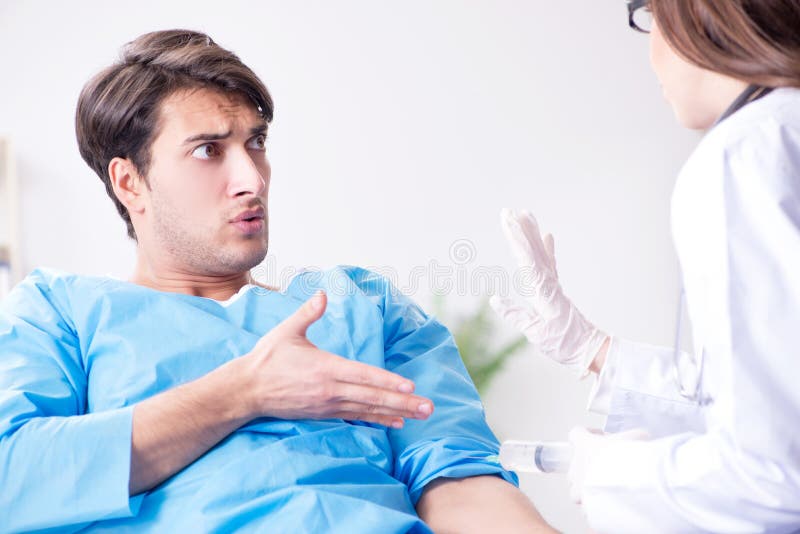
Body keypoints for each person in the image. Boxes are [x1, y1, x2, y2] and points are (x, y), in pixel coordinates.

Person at [0, 30, 552, 533]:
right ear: (130, 182)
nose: (251, 178)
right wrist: (244, 392)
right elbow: (13, 478)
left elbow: (458, 479)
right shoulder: (60, 315)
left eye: (256, 143)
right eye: (208, 150)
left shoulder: (361, 305)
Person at [492, 0, 800, 531]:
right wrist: (594, 351)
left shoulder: (742, 156)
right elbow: (773, 402)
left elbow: (773, 475)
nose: (651, 52)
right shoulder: (780, 134)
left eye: (649, 17)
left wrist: (610, 471)